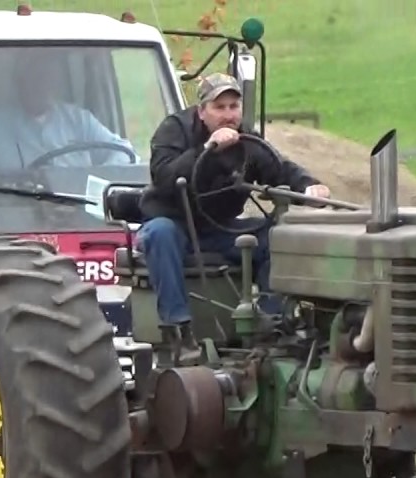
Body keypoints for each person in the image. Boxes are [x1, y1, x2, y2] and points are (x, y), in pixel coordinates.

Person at [136, 72, 330, 364]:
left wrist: (309, 184)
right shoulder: (174, 131)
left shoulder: (247, 141)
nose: (229, 115)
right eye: (220, 107)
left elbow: (279, 168)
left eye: (233, 107)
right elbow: (164, 177)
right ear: (202, 112)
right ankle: (179, 330)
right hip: (175, 226)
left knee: (274, 236)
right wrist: (207, 149)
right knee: (159, 234)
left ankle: (271, 323)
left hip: (219, 229)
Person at [0, 49, 136, 203]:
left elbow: (125, 153)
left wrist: (94, 181)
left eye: (48, 76)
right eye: (34, 75)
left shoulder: (79, 120)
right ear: (19, 81)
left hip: (80, 220)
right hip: (10, 231)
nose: (41, 83)